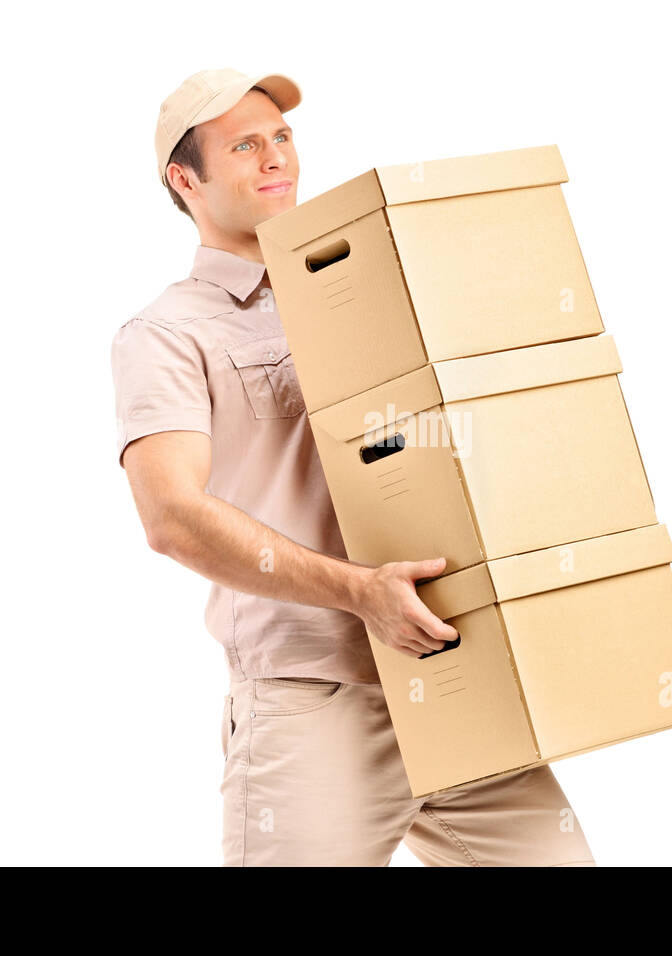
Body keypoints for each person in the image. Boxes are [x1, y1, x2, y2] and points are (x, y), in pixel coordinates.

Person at [111, 67, 596, 866]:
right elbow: (170, 517)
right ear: (184, 178)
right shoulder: (164, 334)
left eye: (282, 138)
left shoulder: (375, 288)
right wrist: (358, 594)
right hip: (314, 694)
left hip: (456, 672)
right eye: (243, 146)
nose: (276, 159)